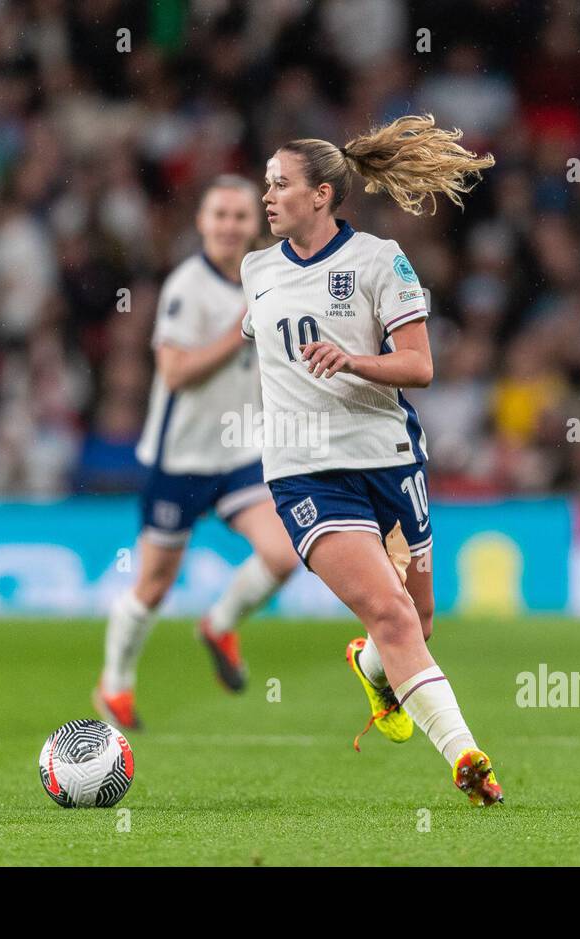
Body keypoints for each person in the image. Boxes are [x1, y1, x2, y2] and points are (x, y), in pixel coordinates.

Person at [241, 115, 504, 804]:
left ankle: (376, 668)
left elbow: (419, 367)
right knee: (391, 612)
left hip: (387, 458)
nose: (266, 196)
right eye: (265, 184)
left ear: (322, 195)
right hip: (305, 472)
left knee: (416, 617)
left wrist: (352, 360)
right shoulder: (257, 271)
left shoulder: (379, 261)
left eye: (280, 184)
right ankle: (466, 756)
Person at [95, 175, 300, 730]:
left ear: (254, 224)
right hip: (179, 459)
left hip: (240, 453)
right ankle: (114, 685)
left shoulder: (268, 279)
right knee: (155, 585)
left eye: (240, 216)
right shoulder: (188, 285)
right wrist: (239, 333)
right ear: (202, 223)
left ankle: (220, 623)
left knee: (285, 553)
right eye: (220, 215)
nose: (230, 226)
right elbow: (174, 370)